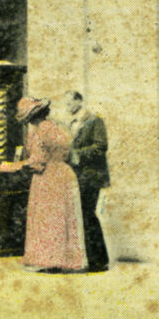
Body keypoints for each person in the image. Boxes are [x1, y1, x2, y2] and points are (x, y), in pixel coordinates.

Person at [3, 96, 85, 273]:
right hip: (63, 173)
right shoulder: (56, 128)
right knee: (59, 217)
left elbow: (38, 161)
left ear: (32, 117)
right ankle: (61, 259)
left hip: (48, 177)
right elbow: (68, 154)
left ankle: (51, 261)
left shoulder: (40, 131)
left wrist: (14, 166)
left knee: (48, 217)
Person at [62, 90, 110, 272]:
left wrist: (77, 155)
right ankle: (92, 260)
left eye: (69, 103)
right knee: (83, 216)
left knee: (88, 215)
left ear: (79, 101)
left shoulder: (93, 120)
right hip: (77, 176)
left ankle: (99, 261)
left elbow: (101, 146)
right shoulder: (71, 123)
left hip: (91, 176)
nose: (67, 107)